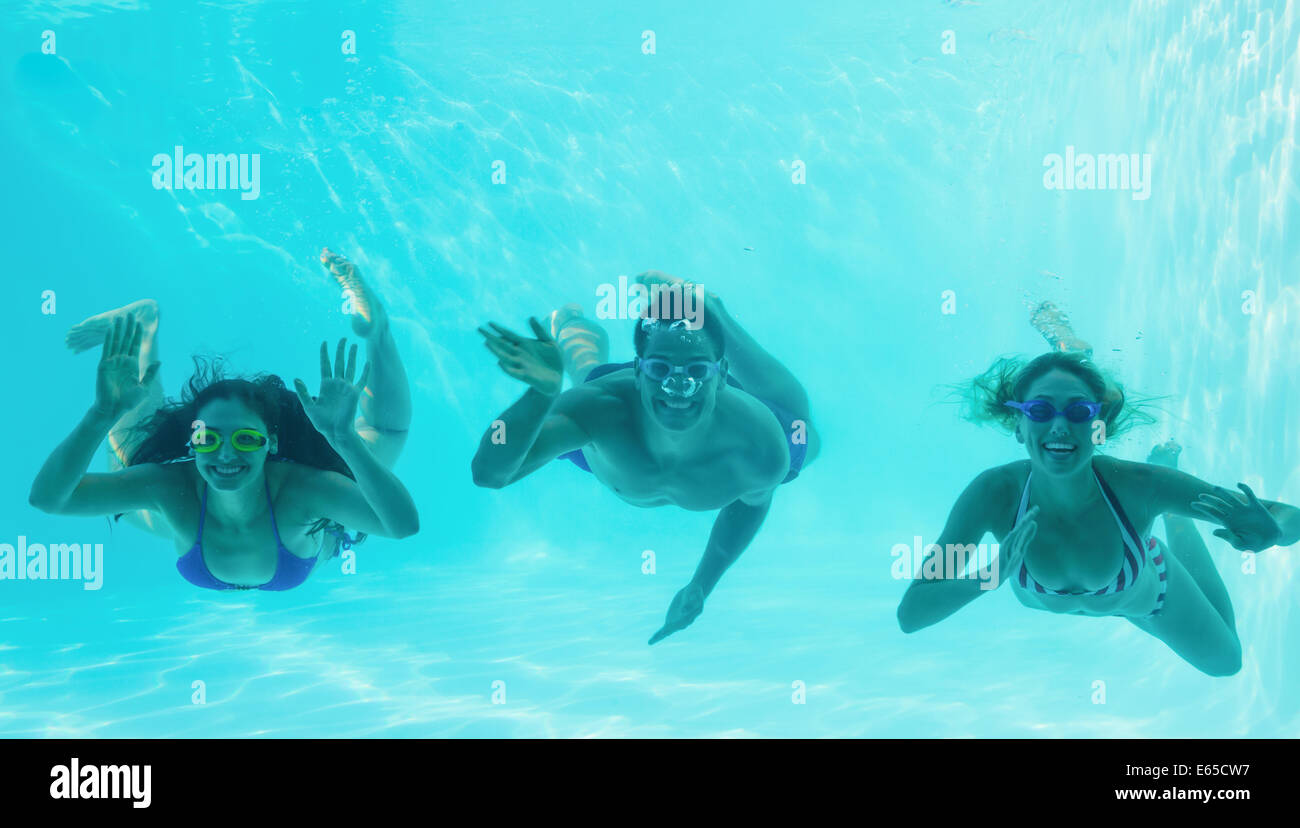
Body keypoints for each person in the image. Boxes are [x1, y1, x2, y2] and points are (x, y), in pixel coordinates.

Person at [897, 320, 1297, 676]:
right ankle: (1075, 357)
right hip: (1112, 591)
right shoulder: (991, 494)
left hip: (1147, 595)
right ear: (1018, 426)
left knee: (1226, 663)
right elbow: (912, 613)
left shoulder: (1142, 484)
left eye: (1078, 412)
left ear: (1099, 426)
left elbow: (1287, 516)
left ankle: (1178, 519)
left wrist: (1273, 532)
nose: (1058, 426)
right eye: (1038, 410)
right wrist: (988, 578)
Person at [28, 249, 419, 590]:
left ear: (272, 442)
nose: (226, 455)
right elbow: (48, 499)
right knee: (131, 454)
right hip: (190, 521)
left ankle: (378, 329)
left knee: (385, 433)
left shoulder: (306, 491)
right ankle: (141, 327)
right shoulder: (169, 488)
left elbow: (402, 527)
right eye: (208, 439)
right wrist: (100, 415)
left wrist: (344, 439)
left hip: (273, 529)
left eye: (247, 439)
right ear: (191, 441)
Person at [472, 270, 821, 643]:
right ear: (638, 371)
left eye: (698, 371)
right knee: (586, 378)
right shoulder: (599, 411)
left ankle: (710, 311)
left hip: (697, 416)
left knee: (803, 430)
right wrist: (541, 395)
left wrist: (701, 583)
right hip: (614, 435)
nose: (678, 385)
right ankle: (586, 323)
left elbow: (752, 504)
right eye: (659, 370)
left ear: (720, 376)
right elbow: (490, 474)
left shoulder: (759, 444)